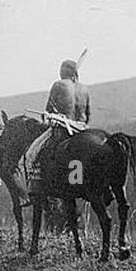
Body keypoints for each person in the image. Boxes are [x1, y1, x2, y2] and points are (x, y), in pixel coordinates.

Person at [25, 59, 91, 193]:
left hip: (64, 129)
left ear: (63, 71)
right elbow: (88, 114)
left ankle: (35, 188)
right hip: (83, 130)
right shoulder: (84, 88)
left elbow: (49, 109)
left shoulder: (58, 85)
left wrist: (48, 116)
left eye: (61, 69)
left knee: (32, 153)